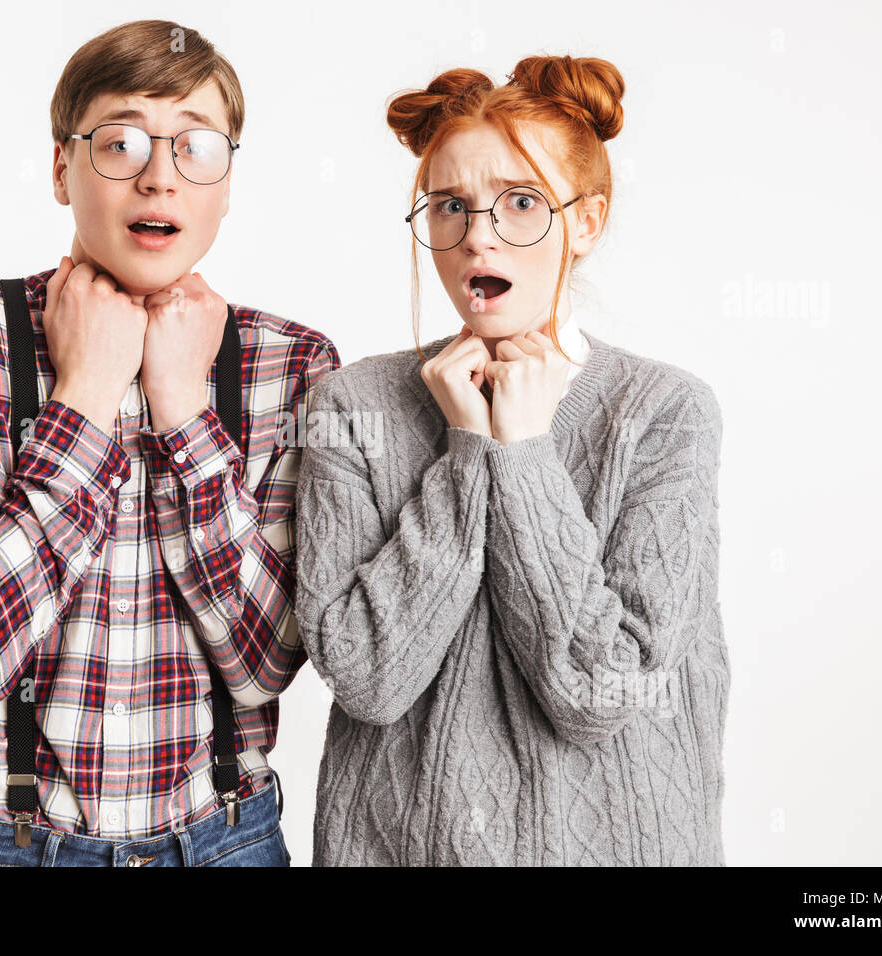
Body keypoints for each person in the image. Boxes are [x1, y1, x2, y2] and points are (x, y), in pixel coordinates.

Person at [0, 19, 339, 867]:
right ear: (62, 167)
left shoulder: (291, 364)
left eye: (195, 146)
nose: (160, 177)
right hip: (4, 845)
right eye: (121, 141)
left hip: (224, 842)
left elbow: (263, 665)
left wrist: (182, 412)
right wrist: (84, 397)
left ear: (227, 182)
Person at [294, 54, 728, 865]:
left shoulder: (665, 413)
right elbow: (366, 679)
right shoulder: (352, 406)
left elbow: (600, 690)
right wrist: (468, 453)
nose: (477, 237)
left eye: (520, 202)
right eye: (450, 206)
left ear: (587, 221)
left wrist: (524, 454)